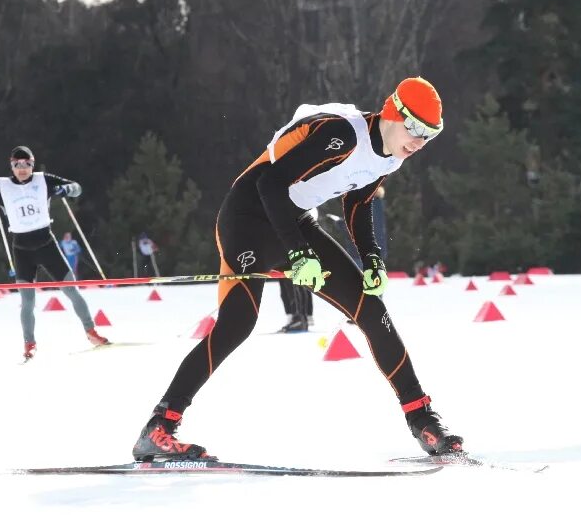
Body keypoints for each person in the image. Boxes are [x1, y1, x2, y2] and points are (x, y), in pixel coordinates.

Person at [132, 76, 463, 461]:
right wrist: (299, 254)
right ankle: (159, 426)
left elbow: (357, 204)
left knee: (370, 309)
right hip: (248, 218)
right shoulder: (342, 134)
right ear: (393, 113)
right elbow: (270, 185)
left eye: (431, 135)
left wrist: (372, 258)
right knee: (236, 325)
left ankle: (423, 421)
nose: (420, 142)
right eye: (416, 129)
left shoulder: (391, 155)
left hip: (294, 220)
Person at [0, 146, 110, 360]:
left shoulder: (43, 180)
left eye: (26, 164)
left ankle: (91, 332)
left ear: (32, 164)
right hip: (22, 250)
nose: (22, 169)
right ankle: (30, 344)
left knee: (72, 291)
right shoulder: (2, 186)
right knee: (27, 301)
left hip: (47, 244)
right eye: (17, 165)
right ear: (12, 166)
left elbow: (77, 188)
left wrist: (67, 190)